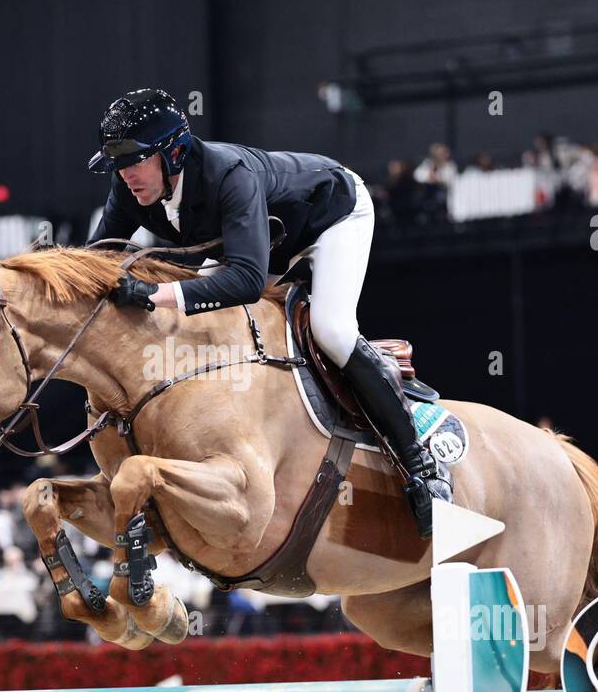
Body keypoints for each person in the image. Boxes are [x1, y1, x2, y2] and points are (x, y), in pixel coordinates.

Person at [87, 88, 448, 536]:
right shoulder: (128, 187)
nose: (125, 177)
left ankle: (421, 463)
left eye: (134, 162)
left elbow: (246, 281)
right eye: (118, 165)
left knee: (331, 330)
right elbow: (94, 262)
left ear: (173, 153)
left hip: (329, 219)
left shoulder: (228, 175)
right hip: (261, 242)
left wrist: (152, 293)